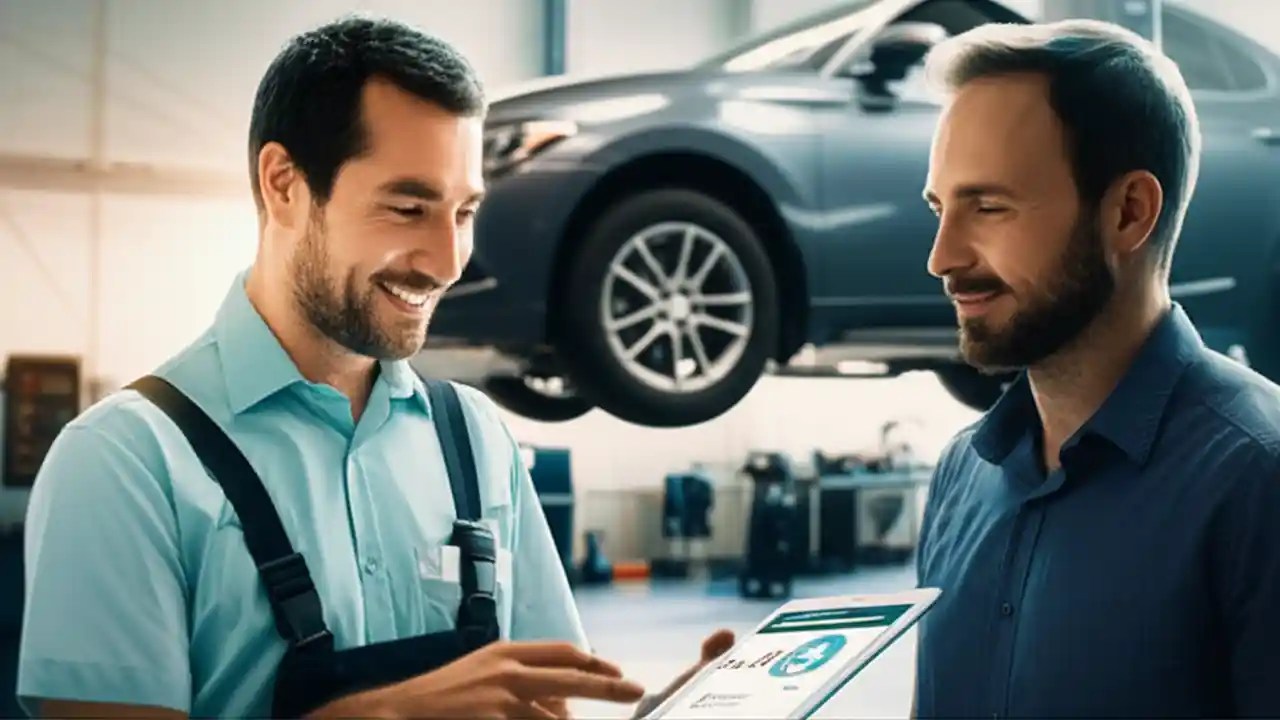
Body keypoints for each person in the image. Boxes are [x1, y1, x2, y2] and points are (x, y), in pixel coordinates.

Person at [17, 15, 731, 719]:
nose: (448, 262)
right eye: (408, 206)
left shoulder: (477, 443)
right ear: (284, 185)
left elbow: (540, 709)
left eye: (464, 211)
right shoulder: (124, 464)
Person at [915, 18, 1280, 719]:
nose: (943, 257)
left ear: (1129, 213)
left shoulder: (1255, 481)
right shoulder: (963, 476)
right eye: (940, 207)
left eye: (988, 206)